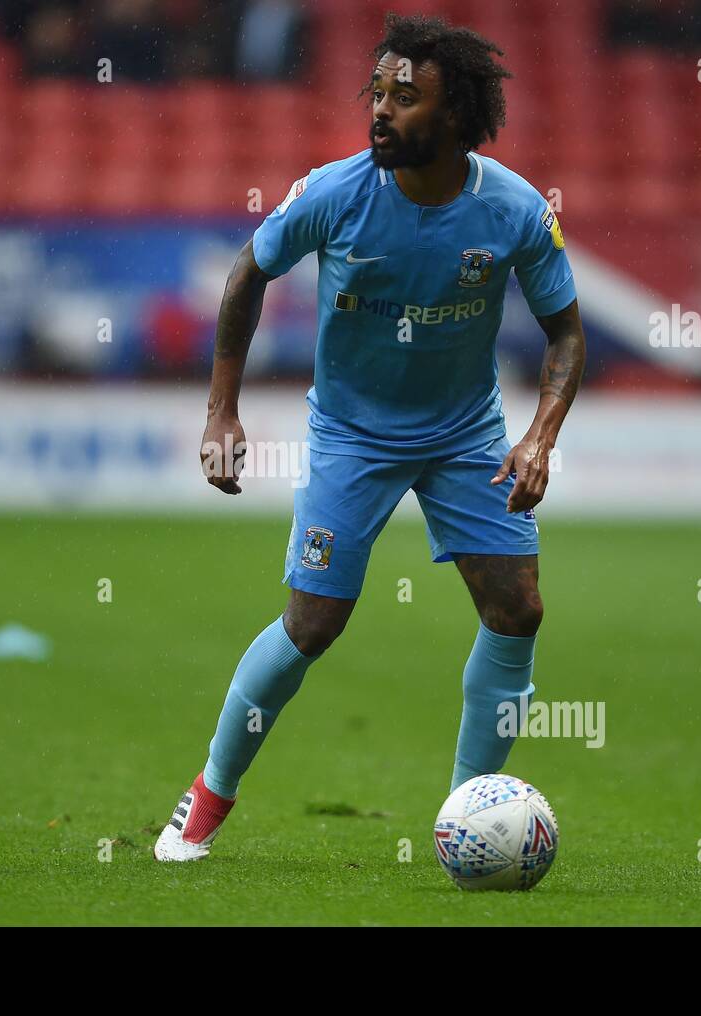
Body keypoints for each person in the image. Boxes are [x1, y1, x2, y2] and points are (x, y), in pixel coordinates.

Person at [154, 12, 586, 861]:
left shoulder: (516, 212)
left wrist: (538, 436)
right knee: (313, 624)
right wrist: (221, 410)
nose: (381, 111)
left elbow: (566, 334)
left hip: (466, 433)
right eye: (377, 92)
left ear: (456, 115)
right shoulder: (334, 194)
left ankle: (466, 816)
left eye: (405, 97)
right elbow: (248, 273)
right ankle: (207, 797)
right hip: (352, 434)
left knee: (518, 607)